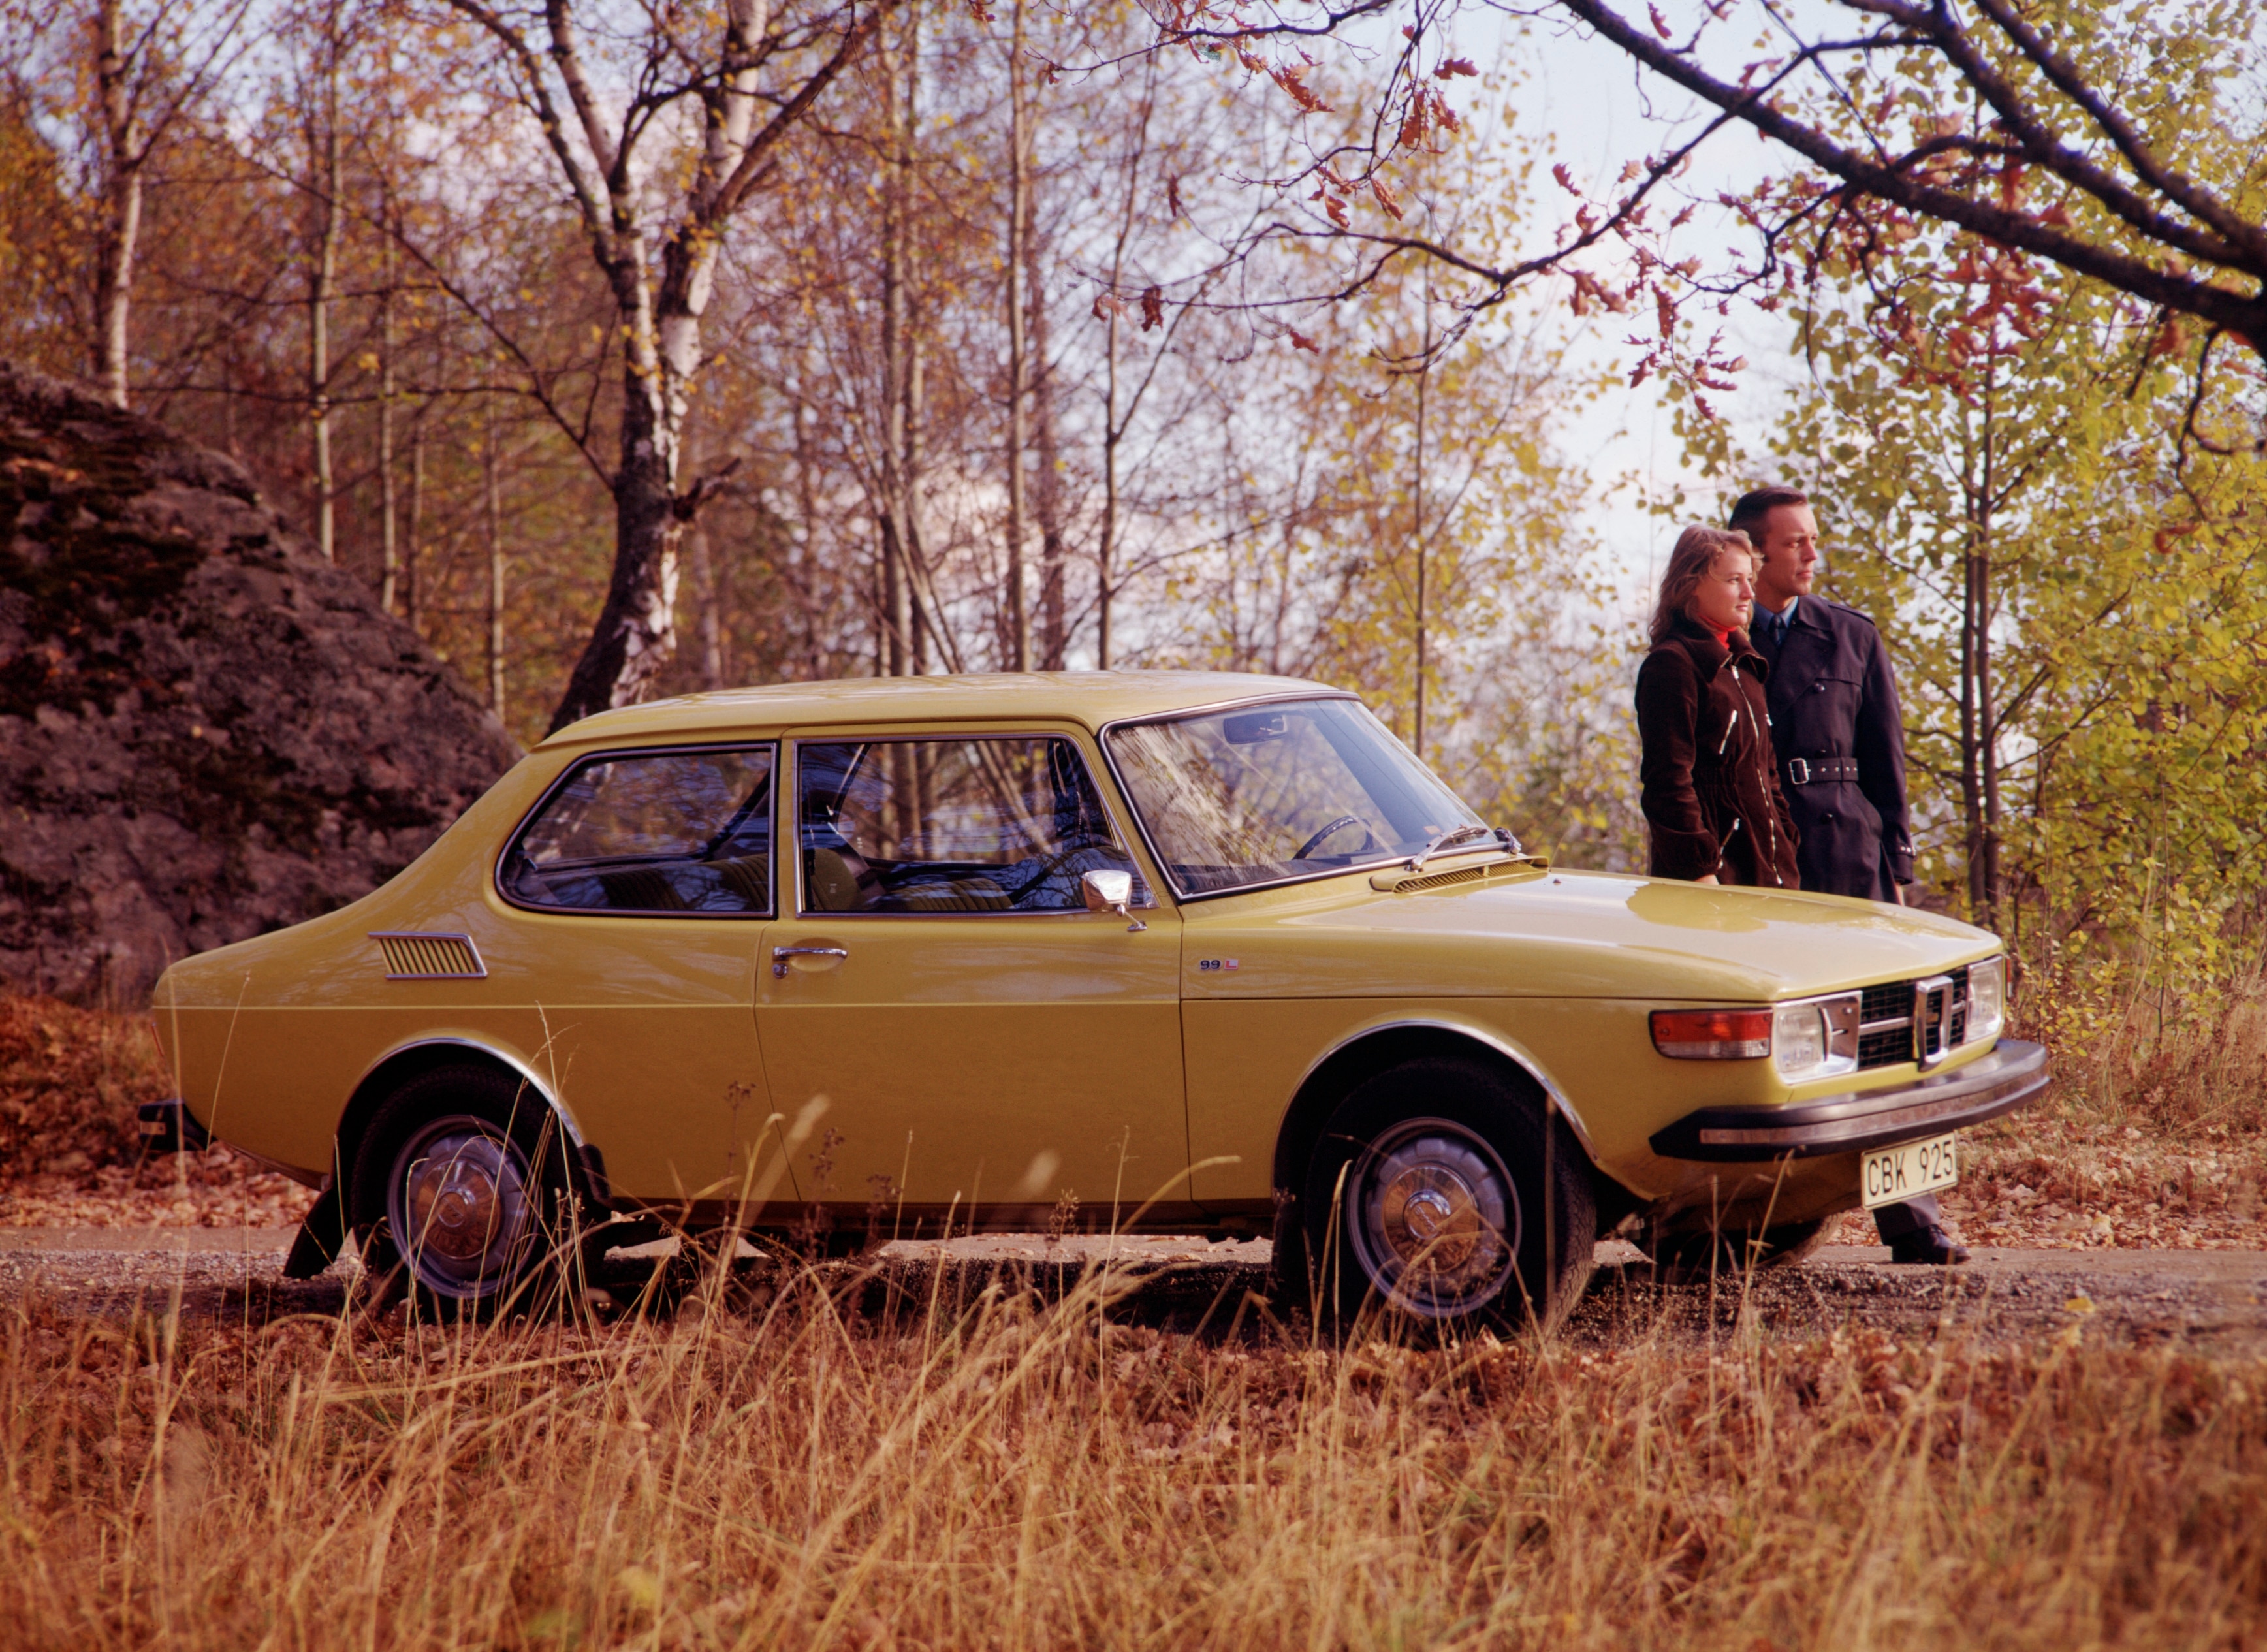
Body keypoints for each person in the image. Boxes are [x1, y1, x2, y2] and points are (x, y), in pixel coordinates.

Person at [1728, 484, 1969, 1266]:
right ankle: (1745, 1221)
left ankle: (1914, 1221)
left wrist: (1897, 869)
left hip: (1848, 857)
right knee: (1771, 1048)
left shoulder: (1850, 635)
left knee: (1888, 1041)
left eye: (1812, 540)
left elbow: (1886, 763)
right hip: (1758, 866)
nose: (1809, 554)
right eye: (1794, 541)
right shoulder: (1714, 640)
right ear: (1754, 549)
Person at [1634, 525, 1801, 891]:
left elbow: (1767, 775)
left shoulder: (1746, 665)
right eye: (1733, 580)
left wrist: (1787, 843)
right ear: (1691, 585)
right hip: (1712, 882)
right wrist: (1700, 871)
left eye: (1749, 579)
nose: (1748, 593)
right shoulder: (1673, 664)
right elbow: (1668, 784)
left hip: (1772, 875)